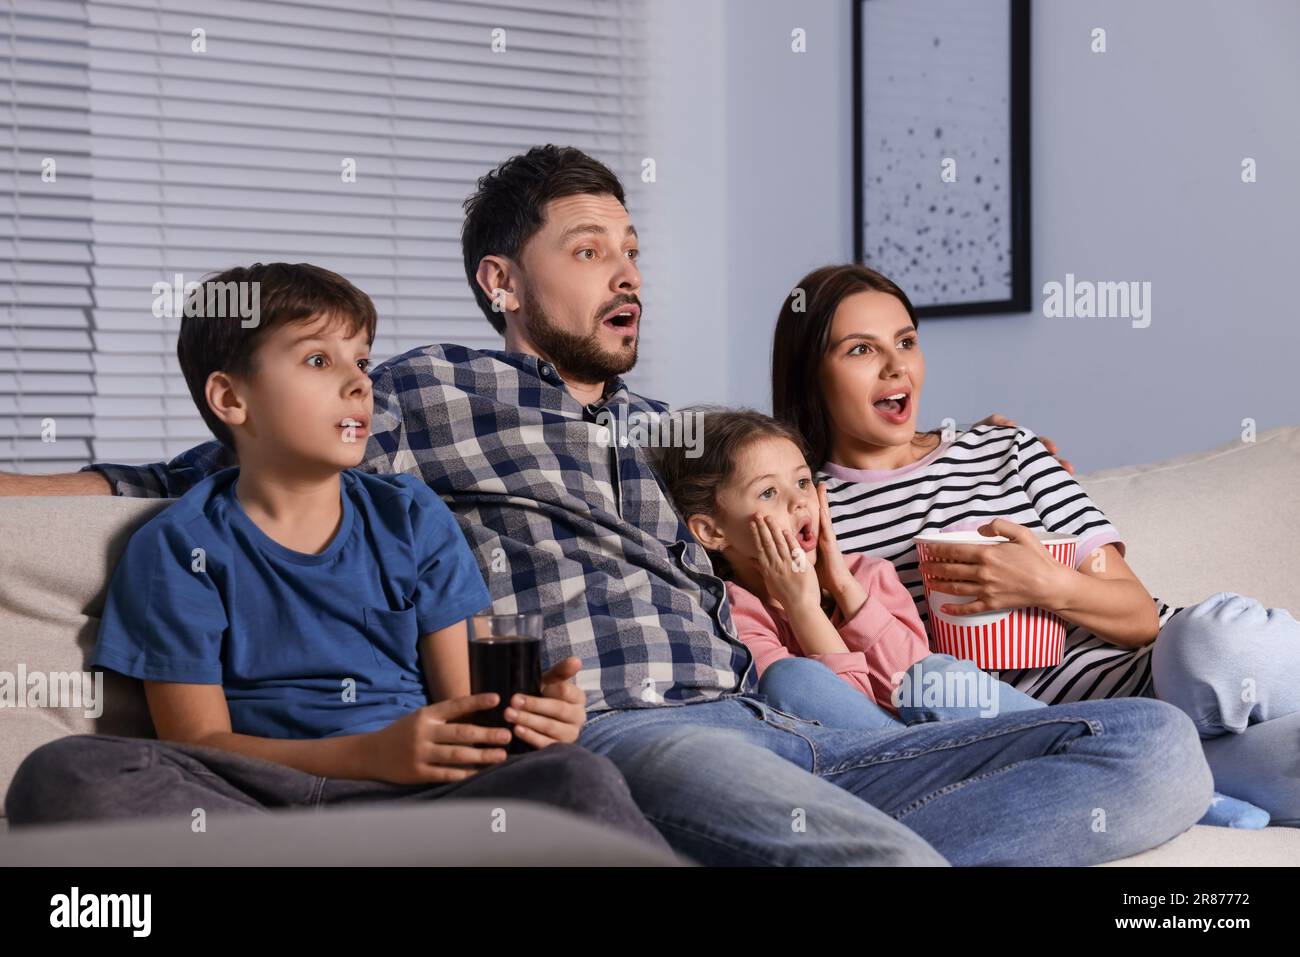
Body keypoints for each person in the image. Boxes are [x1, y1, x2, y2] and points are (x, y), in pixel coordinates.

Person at [0, 146, 1214, 865]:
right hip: (628, 736)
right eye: (587, 248)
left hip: (788, 717)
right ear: (502, 282)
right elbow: (184, 470)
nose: (626, 270)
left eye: (631, 246)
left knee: (1157, 754)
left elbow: (813, 497)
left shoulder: (681, 432)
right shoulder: (423, 390)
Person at [4, 262, 670, 856]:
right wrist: (367, 752)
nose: (358, 383)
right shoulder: (180, 545)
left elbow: (465, 702)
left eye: (360, 359)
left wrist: (529, 718)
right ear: (231, 399)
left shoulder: (410, 517)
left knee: (575, 775)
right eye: (318, 361)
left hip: (414, 799)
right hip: (259, 801)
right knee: (66, 771)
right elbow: (198, 740)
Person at [769, 261, 1297, 829]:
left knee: (1218, 640)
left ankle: (1184, 767)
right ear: (811, 374)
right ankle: (1182, 777)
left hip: (1163, 673)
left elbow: (1140, 615)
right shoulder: (812, 517)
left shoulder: (1005, 449)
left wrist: (1041, 581)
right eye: (860, 350)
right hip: (1079, 743)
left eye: (906, 341)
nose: (897, 365)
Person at [653, 405, 1047, 729]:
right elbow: (845, 719)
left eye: (804, 483)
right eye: (769, 492)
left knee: (935, 677)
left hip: (958, 740)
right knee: (794, 679)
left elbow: (912, 681)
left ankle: (1071, 735)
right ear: (712, 531)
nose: (798, 502)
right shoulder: (732, 618)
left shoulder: (868, 577)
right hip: (877, 764)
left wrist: (844, 589)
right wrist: (803, 609)